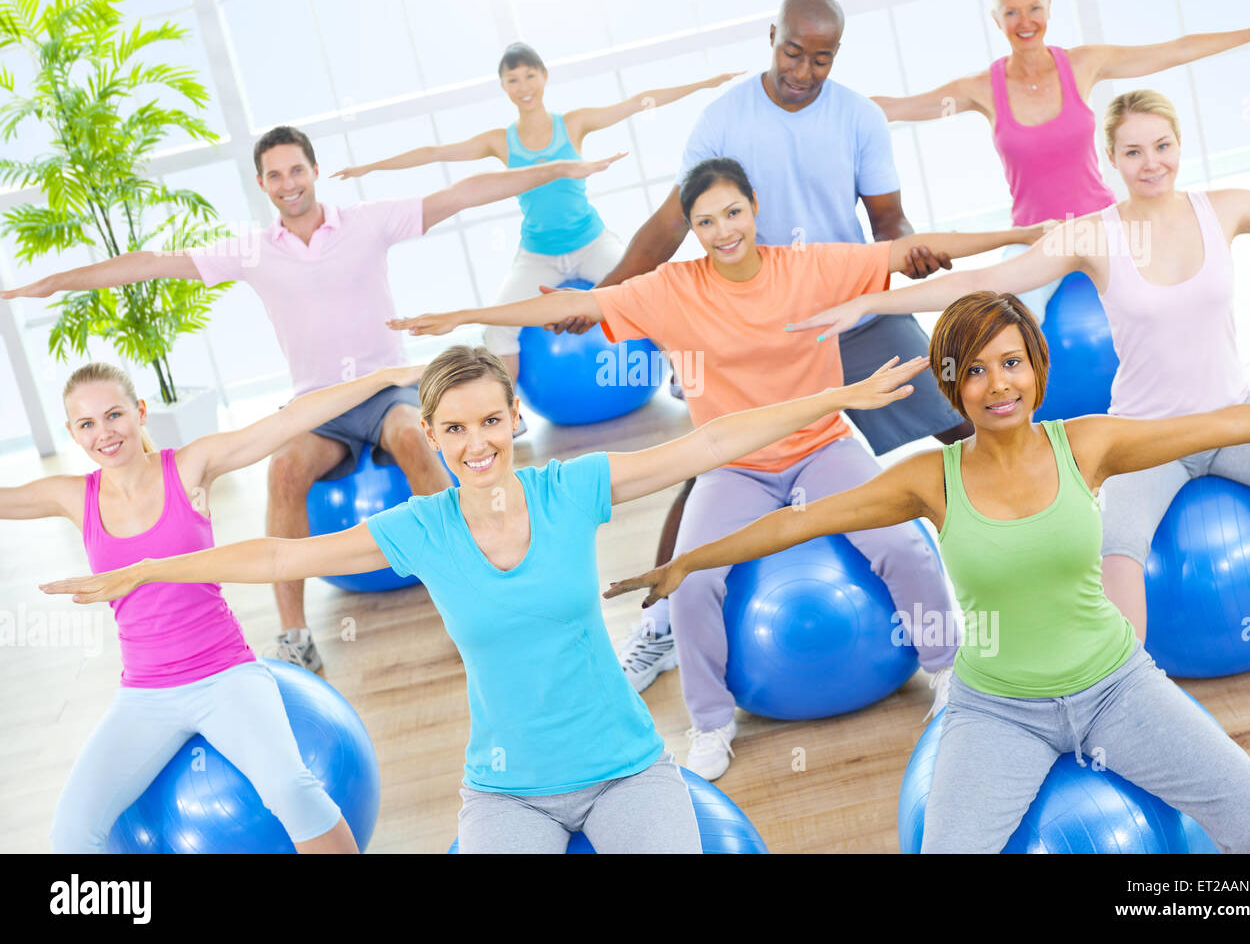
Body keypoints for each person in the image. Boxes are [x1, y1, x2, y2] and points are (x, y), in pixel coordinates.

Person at [40, 346, 928, 853]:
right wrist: (149, 571)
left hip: (626, 764)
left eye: (490, 423)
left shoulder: (571, 489)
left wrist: (838, 397)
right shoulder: (420, 528)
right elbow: (279, 548)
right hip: (508, 793)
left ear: (517, 421)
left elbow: (712, 440)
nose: (475, 444)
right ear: (430, 434)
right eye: (454, 429)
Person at [389, 157, 1051, 778]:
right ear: (693, 230)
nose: (722, 231)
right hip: (732, 465)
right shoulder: (671, 290)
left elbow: (910, 250)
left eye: (732, 213)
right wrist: (472, 315)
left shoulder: (809, 267)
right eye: (706, 222)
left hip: (821, 444)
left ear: (755, 208)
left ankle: (947, 672)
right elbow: (577, 306)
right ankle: (710, 725)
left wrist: (1021, 231)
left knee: (903, 544)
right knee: (692, 580)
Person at [606, 292, 1250, 853]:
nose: (997, 385)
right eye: (973, 369)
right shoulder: (931, 480)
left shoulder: (1088, 443)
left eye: (1011, 363)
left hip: (1117, 688)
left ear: (1037, 365)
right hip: (998, 711)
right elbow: (801, 521)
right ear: (951, 385)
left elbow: (1222, 425)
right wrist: (689, 561)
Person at [2, 124, 619, 672]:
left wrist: (561, 169)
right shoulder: (253, 250)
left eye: (297, 169)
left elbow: (461, 195)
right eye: (274, 175)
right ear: (262, 185)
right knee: (285, 467)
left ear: (315, 171)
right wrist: (56, 282)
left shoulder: (368, 222)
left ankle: (478, 597)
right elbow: (154, 264)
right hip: (318, 407)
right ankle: (296, 636)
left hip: (385, 389)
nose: (288, 182)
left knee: (412, 435)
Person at [547, 0, 979, 687]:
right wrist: (600, 298)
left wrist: (912, 255)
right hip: (759, 335)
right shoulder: (723, 121)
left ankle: (1011, 555)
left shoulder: (859, 118)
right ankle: (658, 627)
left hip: (855, 313)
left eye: (822, 59)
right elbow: (669, 226)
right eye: (793, 52)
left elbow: (890, 222)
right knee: (711, 472)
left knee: (963, 421)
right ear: (770, 34)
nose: (805, 71)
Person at [791, 89, 1250, 640]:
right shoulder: (1093, 235)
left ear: (1179, 144)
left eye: (1162, 146)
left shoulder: (1223, 208)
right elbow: (978, 284)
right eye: (1133, 152)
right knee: (1117, 552)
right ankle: (1127, 690)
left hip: (1235, 419)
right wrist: (870, 301)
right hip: (1144, 439)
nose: (1151, 163)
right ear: (1110, 157)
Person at [0, 358, 427, 852]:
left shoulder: (188, 468)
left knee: (291, 788)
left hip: (224, 676)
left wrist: (380, 380)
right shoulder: (74, 496)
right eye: (87, 424)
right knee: (71, 832)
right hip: (144, 695)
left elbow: (286, 423)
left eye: (114, 415)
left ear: (140, 412)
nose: (105, 433)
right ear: (72, 433)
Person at [872, 0, 1250, 322]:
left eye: (1034, 8)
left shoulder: (1083, 64)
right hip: (1037, 238)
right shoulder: (981, 88)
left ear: (1049, 8)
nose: (1026, 22)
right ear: (996, 19)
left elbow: (1176, 49)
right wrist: (812, 94)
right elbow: (898, 107)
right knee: (1009, 325)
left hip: (1105, 226)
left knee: (1173, 304)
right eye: (1012, 13)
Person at [333, 42, 739, 418]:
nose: (523, 86)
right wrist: (370, 167)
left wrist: (706, 83)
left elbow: (636, 103)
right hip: (538, 255)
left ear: (544, 77)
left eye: (529, 76)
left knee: (650, 293)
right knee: (498, 329)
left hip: (591, 243)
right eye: (513, 80)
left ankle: (685, 379)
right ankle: (507, 415)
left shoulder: (574, 124)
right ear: (504, 87)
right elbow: (436, 152)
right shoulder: (501, 141)